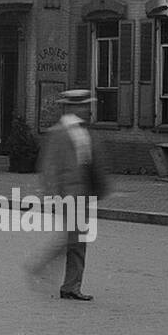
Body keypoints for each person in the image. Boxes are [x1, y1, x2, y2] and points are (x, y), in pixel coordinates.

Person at [27, 89, 101, 301]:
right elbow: (48, 166)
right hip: (67, 195)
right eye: (84, 105)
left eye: (88, 105)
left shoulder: (84, 131)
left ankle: (70, 286)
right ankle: (40, 268)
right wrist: (52, 196)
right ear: (71, 107)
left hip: (83, 194)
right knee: (73, 238)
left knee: (78, 240)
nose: (87, 109)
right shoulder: (59, 133)